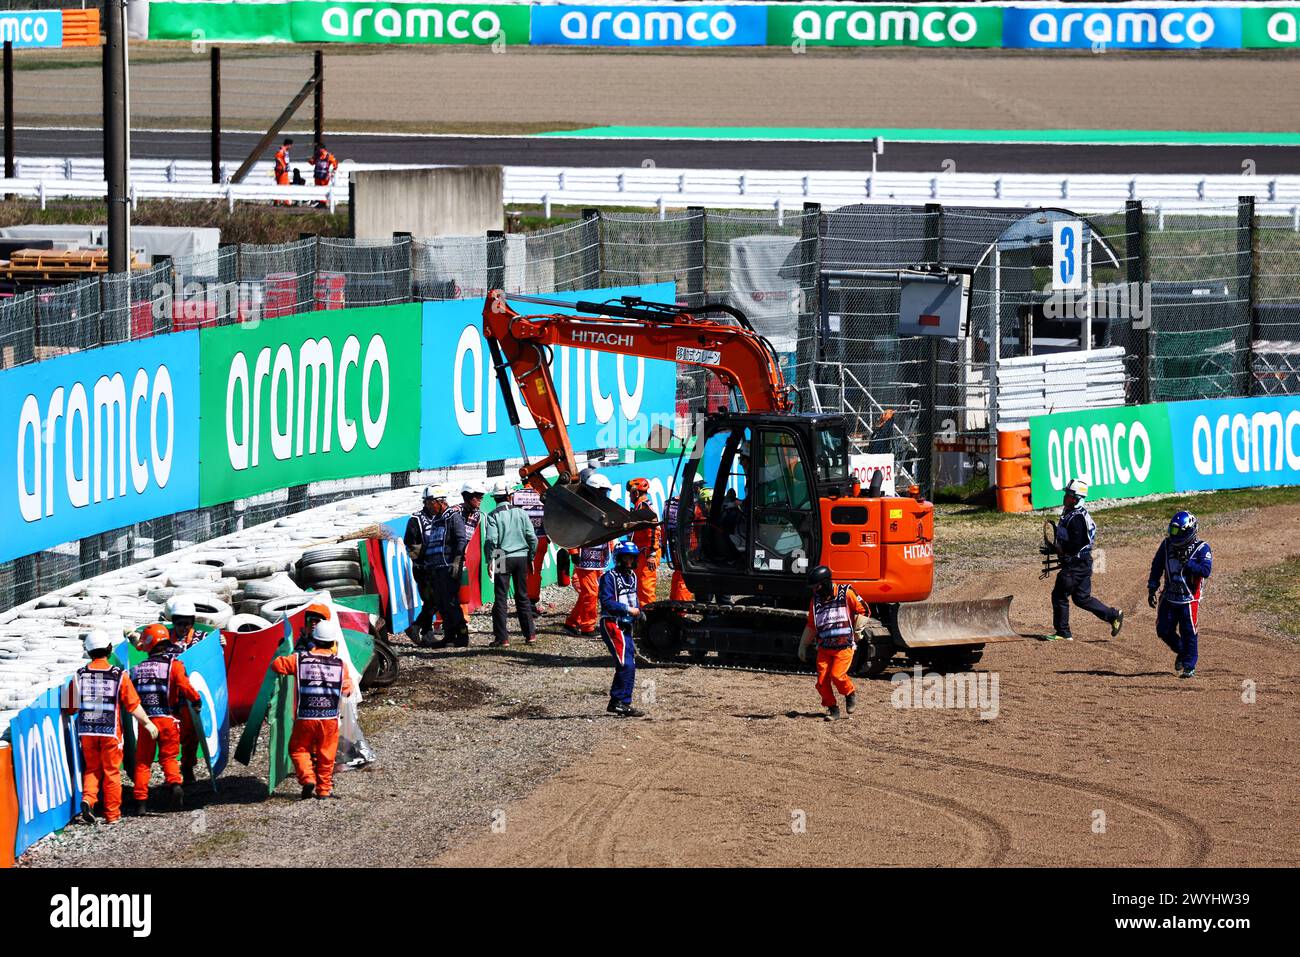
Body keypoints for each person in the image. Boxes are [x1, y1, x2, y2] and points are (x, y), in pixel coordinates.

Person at [67, 631, 157, 825]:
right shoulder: (119, 675)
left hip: (87, 731)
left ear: (88, 651)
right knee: (111, 772)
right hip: (110, 732)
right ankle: (112, 814)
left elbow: (70, 707)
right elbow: (133, 705)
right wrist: (147, 723)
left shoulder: (78, 675)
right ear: (109, 649)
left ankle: (88, 799)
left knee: (92, 768)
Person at [270, 615, 354, 800]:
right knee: (327, 755)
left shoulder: (300, 659)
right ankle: (324, 791)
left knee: (298, 749)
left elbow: (277, 665)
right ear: (332, 642)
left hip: (305, 717)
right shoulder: (341, 664)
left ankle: (308, 778)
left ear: (314, 639)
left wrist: (282, 649)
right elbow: (348, 690)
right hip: (330, 719)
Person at [129, 623, 201, 813]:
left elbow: (131, 697)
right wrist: (196, 701)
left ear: (148, 645)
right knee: (169, 757)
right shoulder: (174, 665)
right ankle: (175, 785)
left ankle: (141, 802)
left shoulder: (136, 670)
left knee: (143, 762)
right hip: (168, 718)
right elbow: (185, 686)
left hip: (146, 722)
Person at [1043, 479, 1124, 642]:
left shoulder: (1077, 518)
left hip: (1076, 564)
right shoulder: (1071, 512)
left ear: (1076, 498)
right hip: (1083, 562)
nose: (1065, 497)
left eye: (1068, 495)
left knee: (1059, 595)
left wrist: (1061, 550)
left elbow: (1077, 543)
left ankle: (1063, 632)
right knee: (1081, 598)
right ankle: (1113, 615)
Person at [1148, 511, 1213, 678]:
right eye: (1172, 531)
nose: (1173, 536)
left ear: (1188, 532)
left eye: (1177, 532)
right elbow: (1157, 565)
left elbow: (1205, 571)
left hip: (1189, 599)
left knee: (1188, 632)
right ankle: (1182, 652)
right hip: (1169, 596)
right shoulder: (1166, 544)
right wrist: (1152, 586)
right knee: (1163, 630)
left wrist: (1188, 563)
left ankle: (1189, 666)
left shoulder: (1202, 548)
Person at [797, 566, 866, 720]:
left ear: (826, 582)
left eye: (817, 587)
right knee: (821, 682)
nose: (815, 590)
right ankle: (832, 708)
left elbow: (864, 610)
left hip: (844, 646)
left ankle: (849, 693)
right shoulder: (815, 602)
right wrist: (803, 645)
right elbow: (811, 625)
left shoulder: (846, 592)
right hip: (824, 648)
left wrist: (858, 630)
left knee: (837, 675)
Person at [404, 486, 468, 648]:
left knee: (442, 601)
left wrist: (457, 560)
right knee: (433, 600)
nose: (430, 506)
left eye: (431, 502)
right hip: (425, 568)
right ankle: (426, 631)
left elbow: (460, 538)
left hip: (444, 566)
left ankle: (421, 629)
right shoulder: (417, 519)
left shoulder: (447, 517)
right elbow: (411, 545)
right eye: (427, 503)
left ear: (438, 502)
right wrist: (420, 562)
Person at [482, 478, 538, 647]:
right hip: (521, 556)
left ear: (495, 498)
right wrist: (531, 556)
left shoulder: (493, 515)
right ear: (509, 495)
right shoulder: (521, 513)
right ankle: (530, 635)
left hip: (501, 555)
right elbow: (532, 538)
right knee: (522, 596)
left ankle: (502, 638)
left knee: (500, 597)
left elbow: (491, 539)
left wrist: (489, 559)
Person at [598, 542, 645, 717]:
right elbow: (606, 602)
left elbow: (633, 598)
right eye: (626, 556)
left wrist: (639, 613)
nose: (630, 560)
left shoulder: (632, 576)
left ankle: (623, 702)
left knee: (630, 664)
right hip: (612, 623)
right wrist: (627, 610)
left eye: (632, 557)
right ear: (619, 558)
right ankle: (617, 701)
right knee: (625, 663)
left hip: (626, 624)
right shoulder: (609, 577)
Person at [564, 473, 614, 637]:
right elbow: (571, 530)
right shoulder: (581, 508)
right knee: (591, 593)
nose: (605, 495)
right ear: (594, 491)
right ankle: (587, 627)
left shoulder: (605, 508)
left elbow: (610, 532)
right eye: (602, 492)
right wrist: (573, 552)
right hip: (585, 559)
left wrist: (612, 549)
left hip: (599, 558)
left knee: (589, 593)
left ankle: (572, 622)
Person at [448, 480, 487, 619]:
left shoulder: (478, 515)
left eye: (482, 497)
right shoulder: (453, 512)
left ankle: (463, 618)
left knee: (462, 587)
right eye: (478, 497)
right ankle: (440, 623)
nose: (481, 500)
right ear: (469, 497)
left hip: (461, 557)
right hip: (448, 557)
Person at [665, 474, 706, 602]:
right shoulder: (694, 506)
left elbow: (664, 526)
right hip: (690, 547)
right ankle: (681, 610)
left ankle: (674, 603)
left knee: (677, 574)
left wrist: (663, 543)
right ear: (693, 488)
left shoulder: (669, 502)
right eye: (699, 486)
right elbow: (702, 525)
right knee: (685, 578)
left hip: (673, 546)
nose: (700, 490)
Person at [511, 481, 551, 614]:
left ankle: (523, 603)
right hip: (540, 538)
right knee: (535, 572)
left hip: (521, 540)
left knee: (522, 572)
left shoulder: (516, 496)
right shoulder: (545, 494)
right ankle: (531, 603)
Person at [627, 478, 662, 607]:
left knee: (646, 587)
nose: (629, 497)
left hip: (648, 553)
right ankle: (642, 615)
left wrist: (652, 554)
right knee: (640, 585)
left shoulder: (644, 508)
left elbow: (655, 530)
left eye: (630, 494)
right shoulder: (639, 507)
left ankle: (649, 618)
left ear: (636, 493)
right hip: (642, 552)